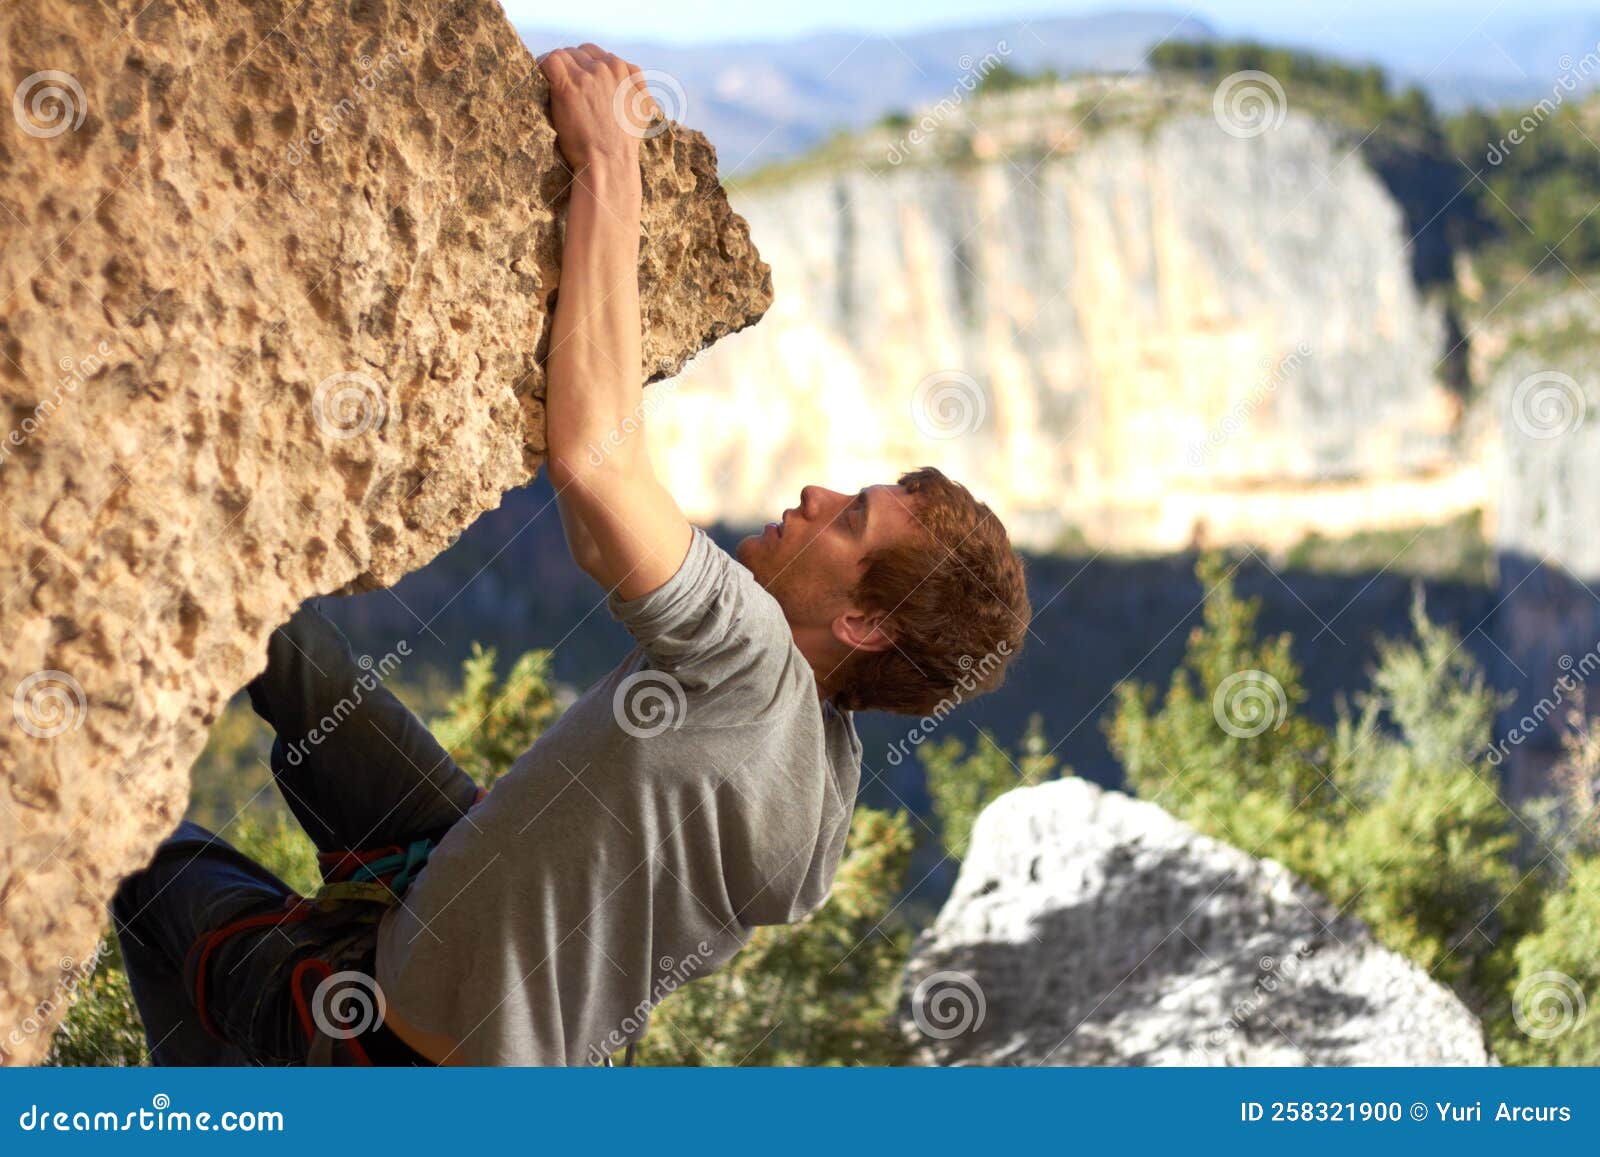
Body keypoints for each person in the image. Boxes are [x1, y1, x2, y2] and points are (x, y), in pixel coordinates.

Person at [110, 43, 1032, 1066]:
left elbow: (595, 459)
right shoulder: (824, 776)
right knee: (283, 639)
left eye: (849, 519)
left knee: (137, 854)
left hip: (392, 1038)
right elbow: (599, 530)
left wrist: (610, 164)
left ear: (861, 622)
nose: (815, 495)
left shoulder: (754, 664)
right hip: (454, 877)